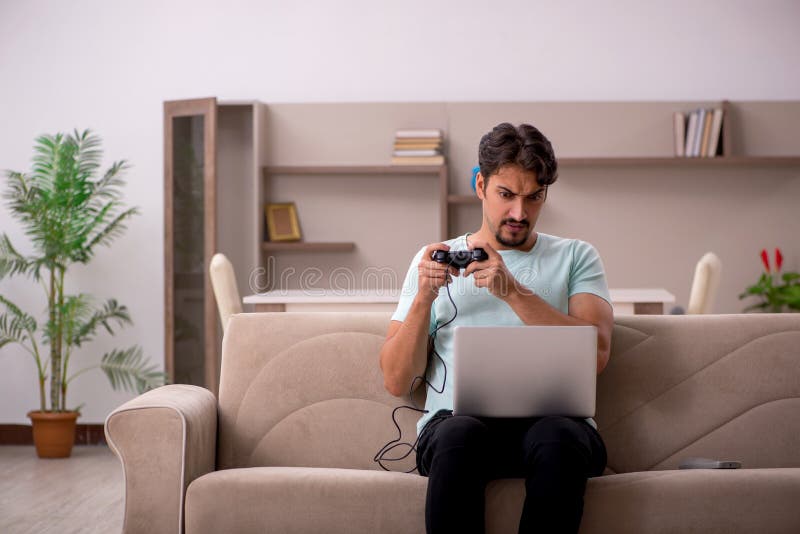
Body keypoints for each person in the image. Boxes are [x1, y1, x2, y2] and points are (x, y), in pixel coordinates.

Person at [379, 122, 613, 534]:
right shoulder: (434, 257)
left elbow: (595, 355)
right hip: (456, 427)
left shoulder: (577, 257)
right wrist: (423, 299)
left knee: (558, 436)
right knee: (458, 434)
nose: (519, 213)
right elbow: (397, 379)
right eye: (506, 195)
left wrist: (514, 292)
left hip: (557, 429)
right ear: (481, 185)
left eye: (533, 197)